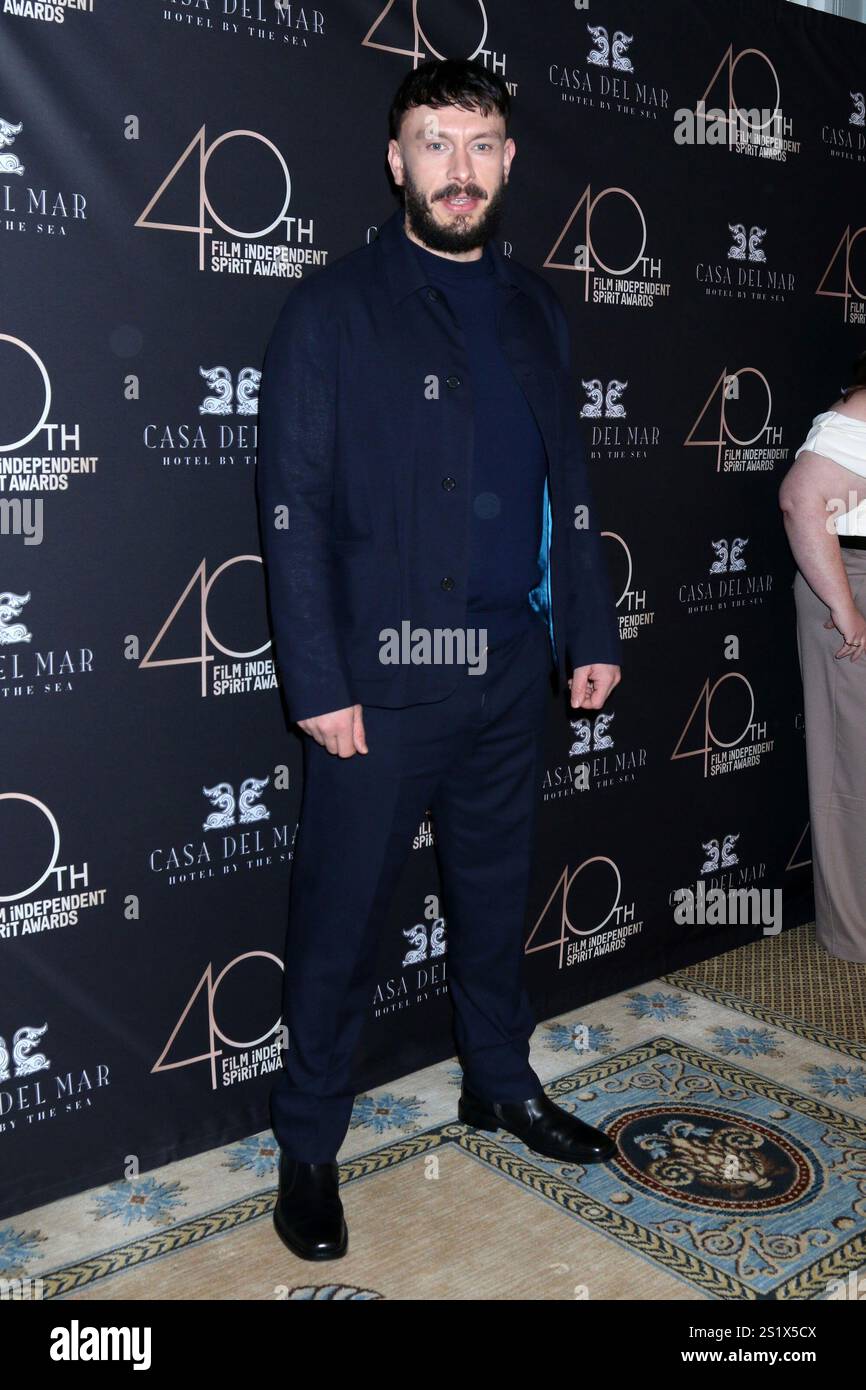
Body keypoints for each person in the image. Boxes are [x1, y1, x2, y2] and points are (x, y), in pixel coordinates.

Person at [254, 58, 623, 1261]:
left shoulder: (535, 308)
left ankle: (498, 1083)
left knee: (492, 893)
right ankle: (308, 1145)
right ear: (394, 162)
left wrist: (586, 632)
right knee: (340, 921)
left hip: (512, 664)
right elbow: (293, 505)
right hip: (379, 678)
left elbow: (566, 488)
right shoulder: (332, 306)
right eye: (432, 144)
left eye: (478, 146)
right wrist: (317, 683)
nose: (456, 170)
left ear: (507, 162)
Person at [779, 349, 866, 964]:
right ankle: (856, 938)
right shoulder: (860, 414)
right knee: (852, 768)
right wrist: (844, 607)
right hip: (852, 582)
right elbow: (802, 499)